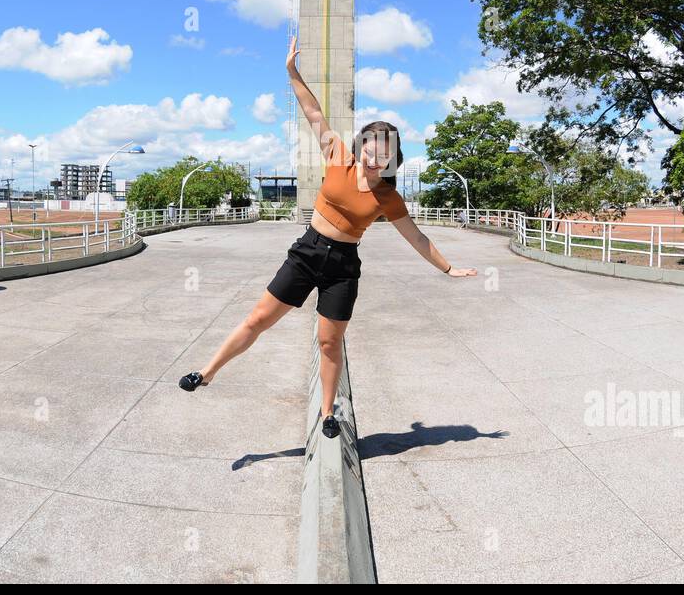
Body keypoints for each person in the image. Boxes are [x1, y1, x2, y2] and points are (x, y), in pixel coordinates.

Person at [179, 36, 477, 439]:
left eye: (384, 153)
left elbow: (417, 238)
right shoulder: (338, 156)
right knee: (258, 320)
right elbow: (313, 112)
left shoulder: (389, 196)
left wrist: (448, 267)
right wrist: (291, 72)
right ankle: (207, 372)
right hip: (307, 252)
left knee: (329, 342)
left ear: (392, 156)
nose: (375, 158)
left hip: (342, 266)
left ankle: (327, 413)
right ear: (363, 146)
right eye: (371, 148)